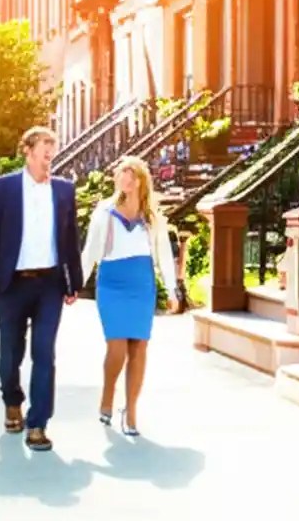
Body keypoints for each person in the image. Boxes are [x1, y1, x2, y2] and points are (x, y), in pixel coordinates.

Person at [0, 127, 82, 452]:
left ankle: (38, 423)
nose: (50, 152)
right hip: (12, 283)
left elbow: (70, 239)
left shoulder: (64, 190)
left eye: (53, 146)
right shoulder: (3, 188)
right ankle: (12, 400)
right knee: (11, 353)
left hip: (49, 284)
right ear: (28, 151)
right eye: (44, 146)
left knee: (44, 353)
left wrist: (73, 282)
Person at [80, 156, 176, 437]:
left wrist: (171, 289)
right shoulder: (105, 211)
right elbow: (91, 250)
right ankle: (108, 393)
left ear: (141, 181)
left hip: (141, 283)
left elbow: (164, 255)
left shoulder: (151, 217)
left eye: (131, 174)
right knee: (117, 348)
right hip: (112, 283)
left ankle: (131, 410)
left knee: (139, 348)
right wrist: (75, 283)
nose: (126, 178)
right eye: (122, 172)